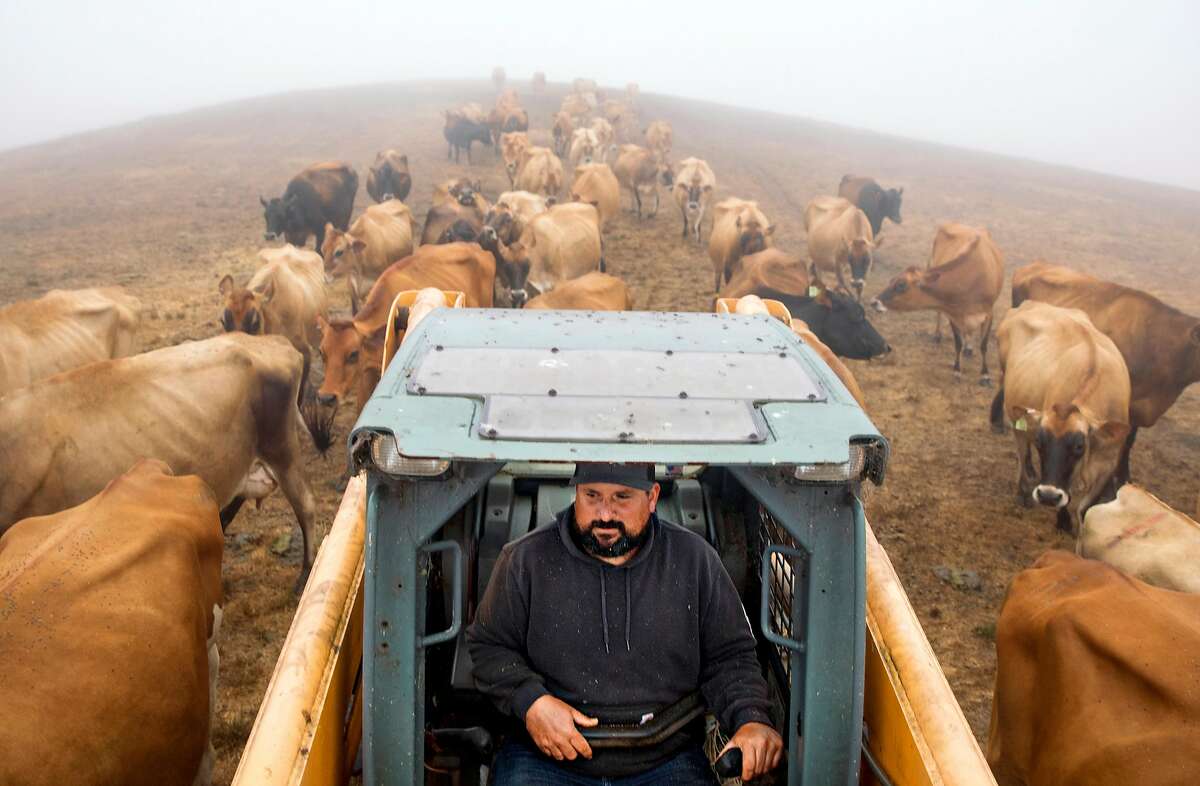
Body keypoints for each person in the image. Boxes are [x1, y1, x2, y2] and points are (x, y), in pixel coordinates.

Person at [466, 462, 784, 784]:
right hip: (545, 758)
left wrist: (751, 720)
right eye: (592, 496)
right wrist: (532, 702)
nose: (605, 515)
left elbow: (730, 657)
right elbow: (489, 647)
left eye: (622, 497)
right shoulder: (524, 559)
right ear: (576, 493)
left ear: (652, 497)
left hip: (664, 756)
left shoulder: (696, 561)